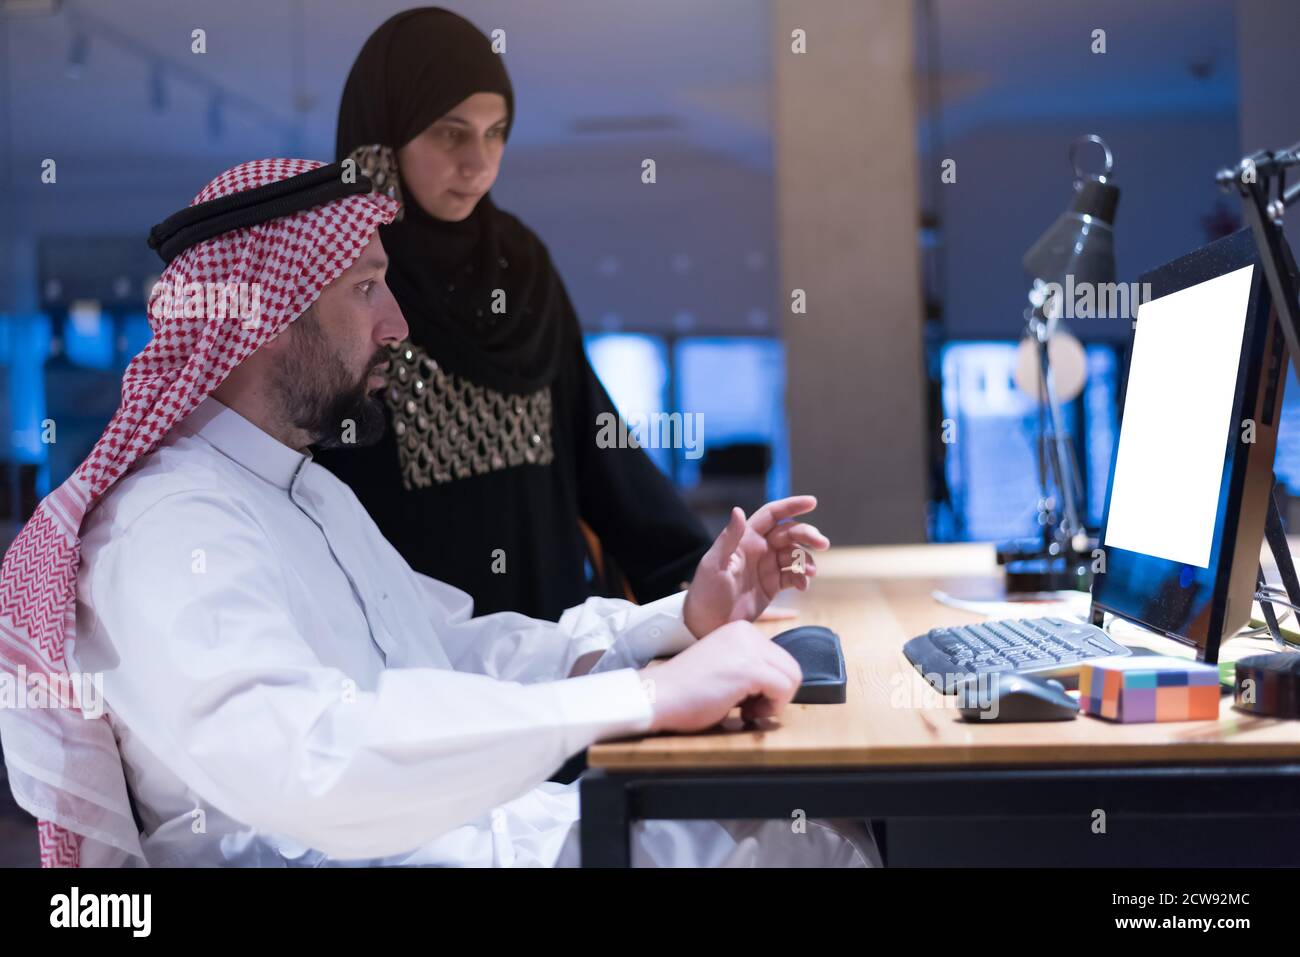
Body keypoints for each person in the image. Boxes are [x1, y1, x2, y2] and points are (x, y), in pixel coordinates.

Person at [0, 158, 875, 868]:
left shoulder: (304, 493)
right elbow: (309, 762)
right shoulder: (171, 526)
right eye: (367, 288)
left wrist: (671, 625)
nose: (398, 324)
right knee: (805, 839)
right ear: (263, 314)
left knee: (816, 823)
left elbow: (452, 655)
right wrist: (641, 698)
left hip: (471, 835)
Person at [317, 6, 713, 621]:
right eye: (451, 132)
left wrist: (693, 576)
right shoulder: (338, 275)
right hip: (410, 643)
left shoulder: (520, 265)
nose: (479, 161)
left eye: (496, 131)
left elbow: (594, 442)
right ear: (387, 132)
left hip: (552, 629)